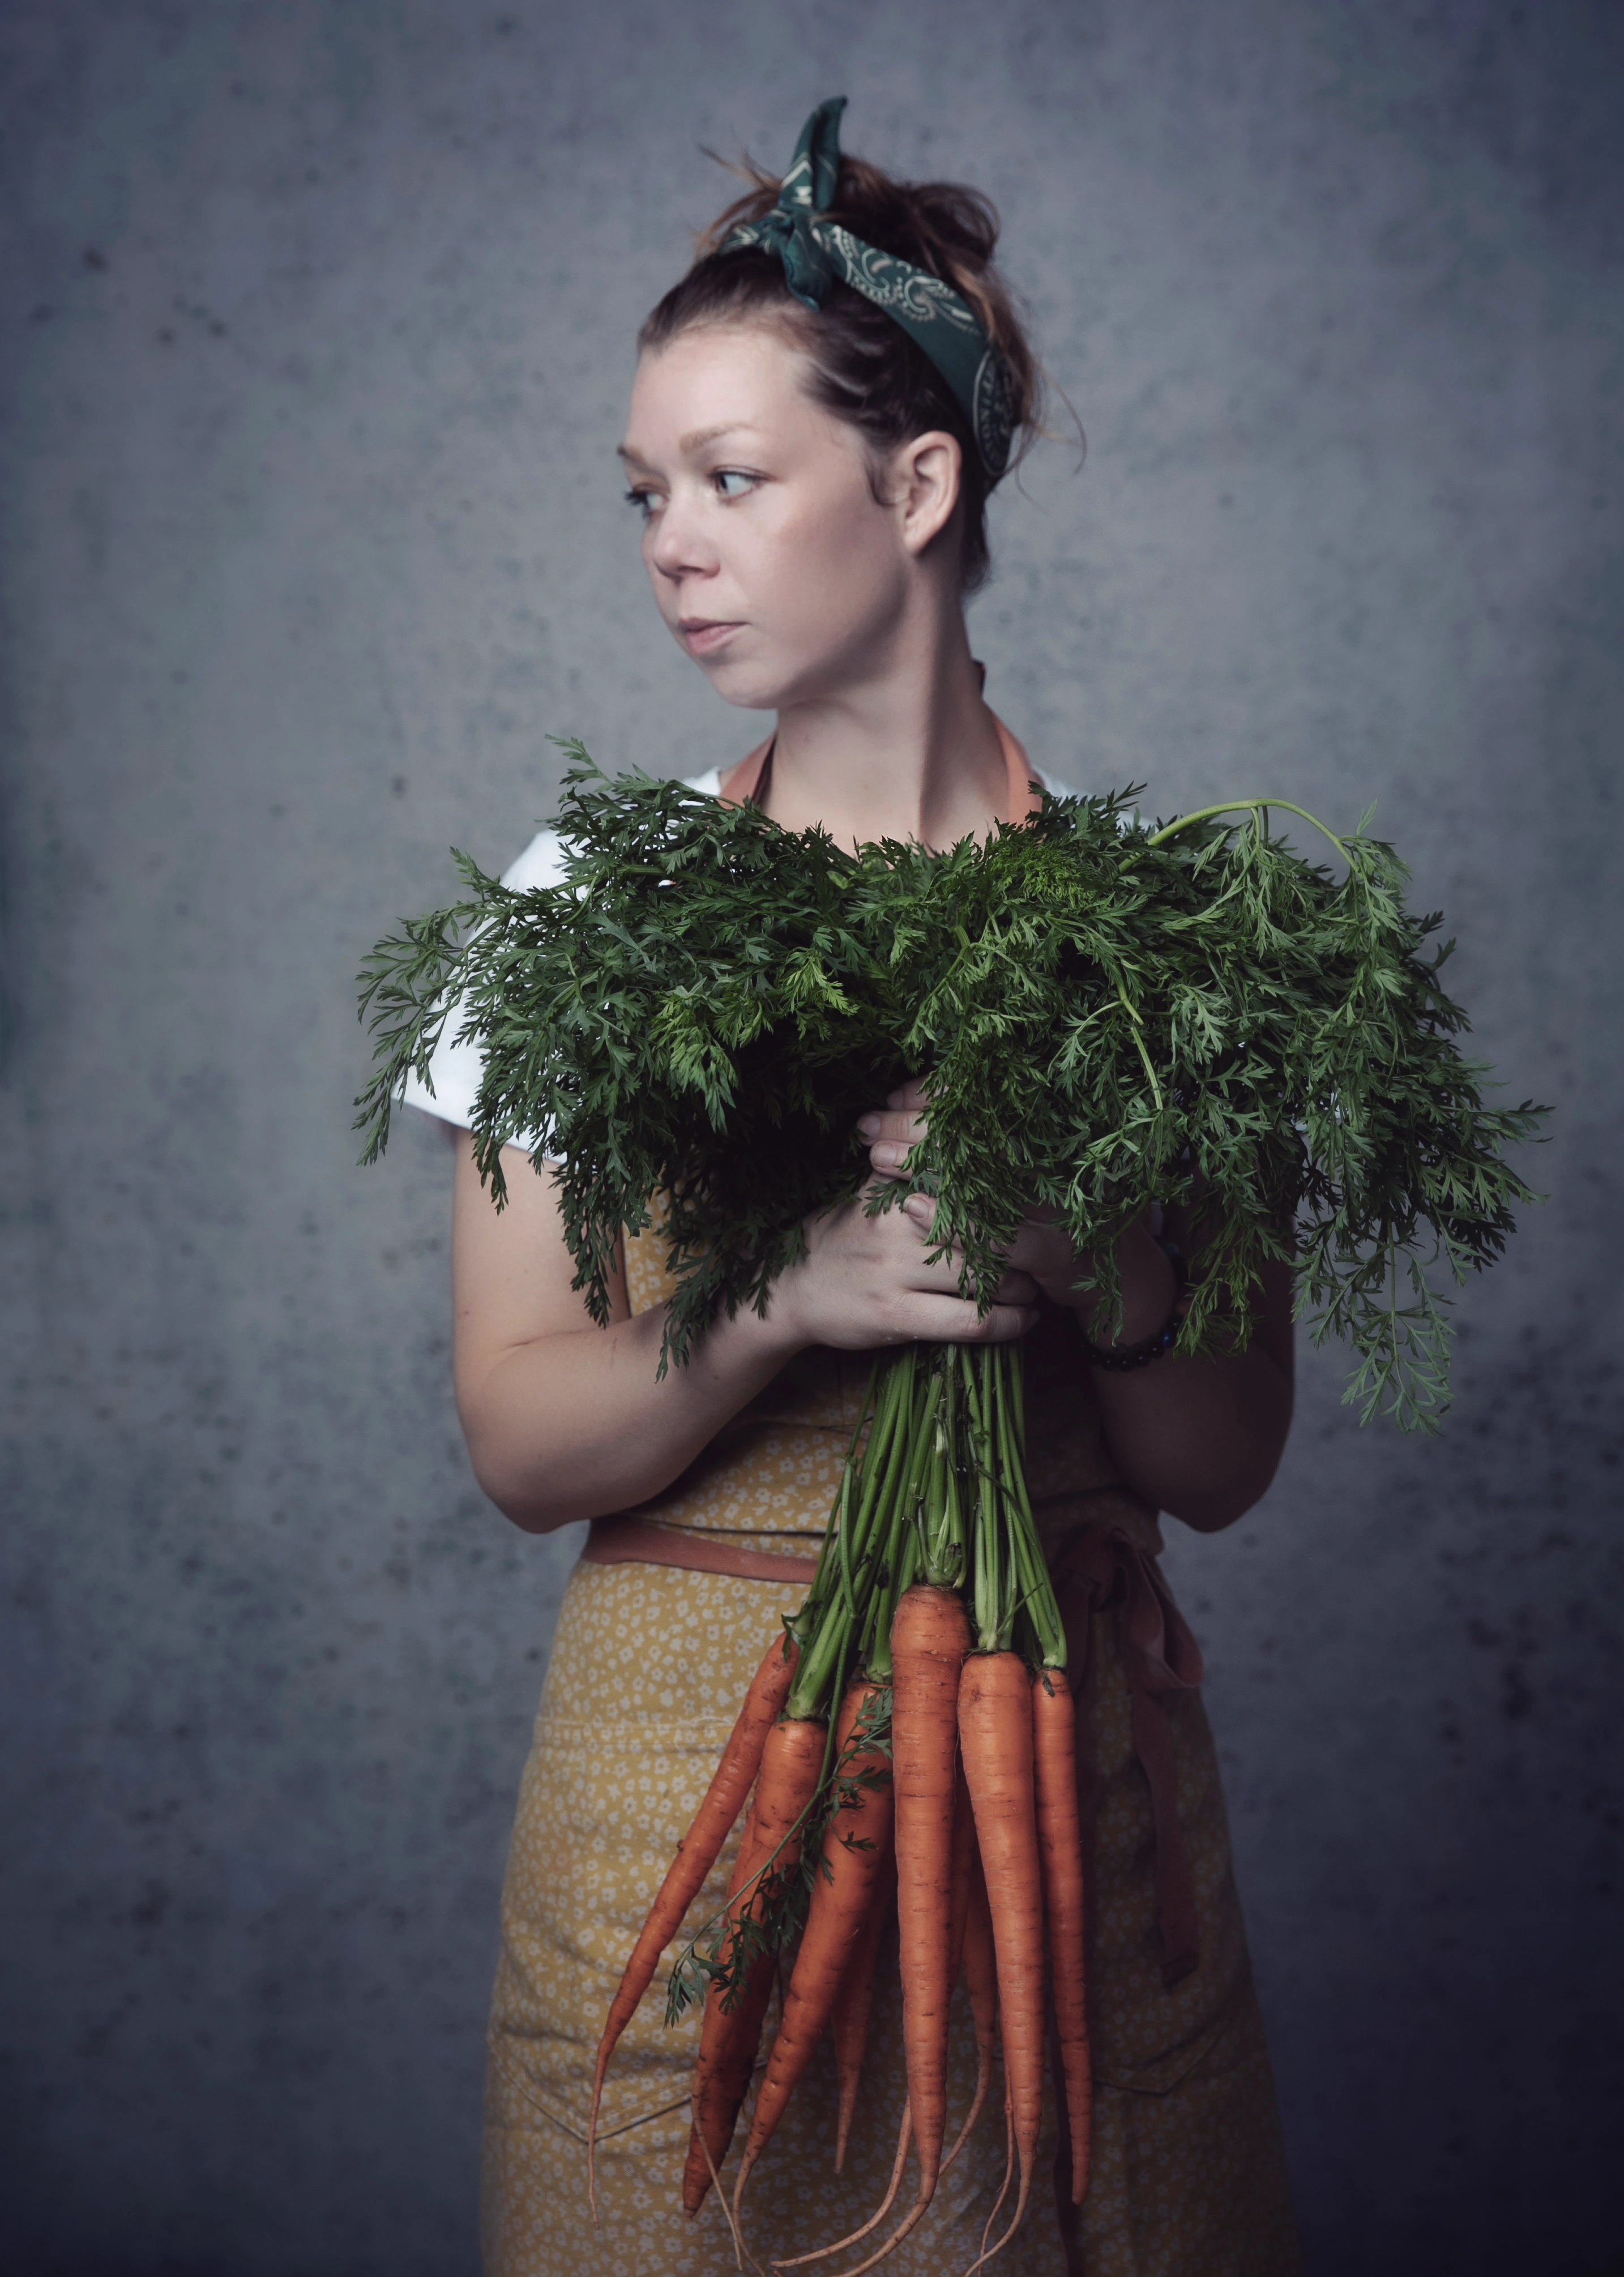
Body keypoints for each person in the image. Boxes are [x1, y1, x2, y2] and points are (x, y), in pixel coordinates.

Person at [408, 98, 1301, 2277]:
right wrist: (778, 1293)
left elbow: (1224, 1455)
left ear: (915, 490)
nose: (669, 544)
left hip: (1060, 1839)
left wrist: (1106, 1267)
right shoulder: (573, 909)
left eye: (730, 479)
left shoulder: (1155, 937)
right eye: (646, 493)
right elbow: (524, 1441)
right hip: (676, 1832)